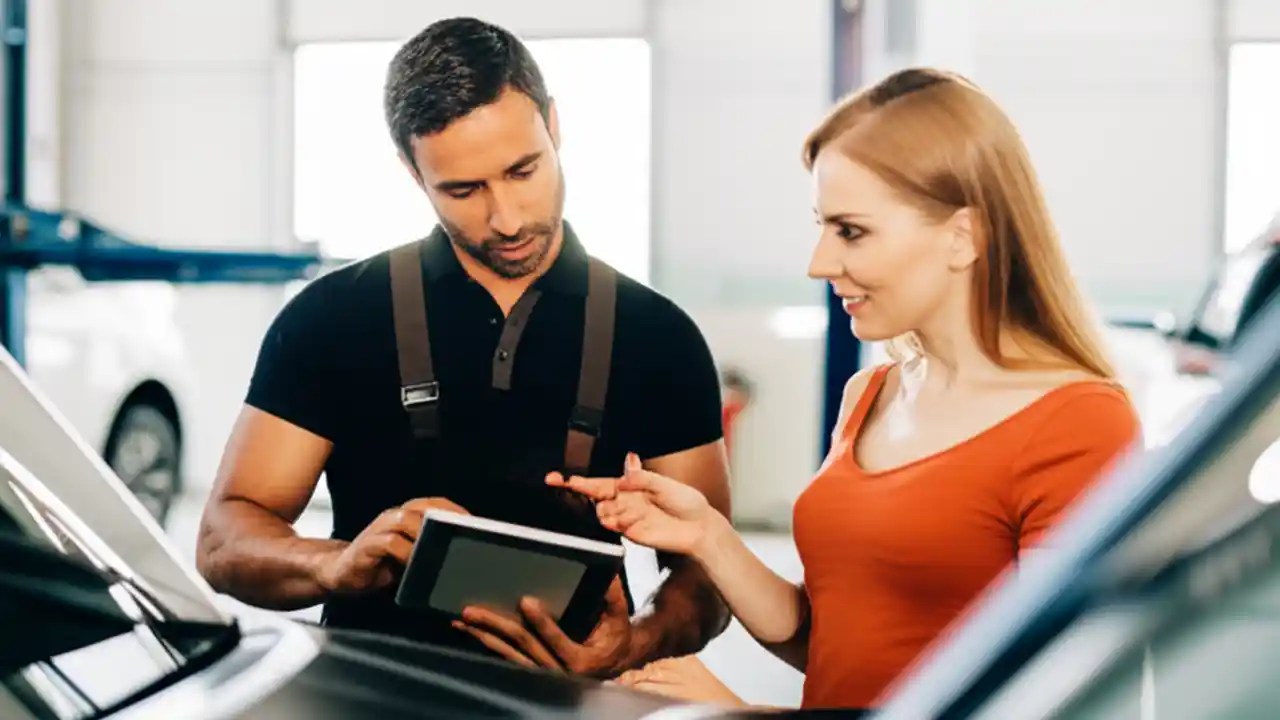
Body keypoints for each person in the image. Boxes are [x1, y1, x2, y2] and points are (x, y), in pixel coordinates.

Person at [547, 67, 1143, 710]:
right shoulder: (872, 394)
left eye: (851, 231)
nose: (819, 263)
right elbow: (829, 642)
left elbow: (1062, 701)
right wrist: (707, 536)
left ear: (964, 236)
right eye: (822, 227)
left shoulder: (1078, 425)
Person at [194, 16, 731, 677]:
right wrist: (333, 562)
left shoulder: (660, 337)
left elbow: (707, 573)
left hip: (573, 705)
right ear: (412, 172)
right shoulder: (332, 319)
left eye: (523, 170)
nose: (505, 218)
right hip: (370, 695)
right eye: (463, 189)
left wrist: (637, 640)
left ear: (554, 126)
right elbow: (224, 538)